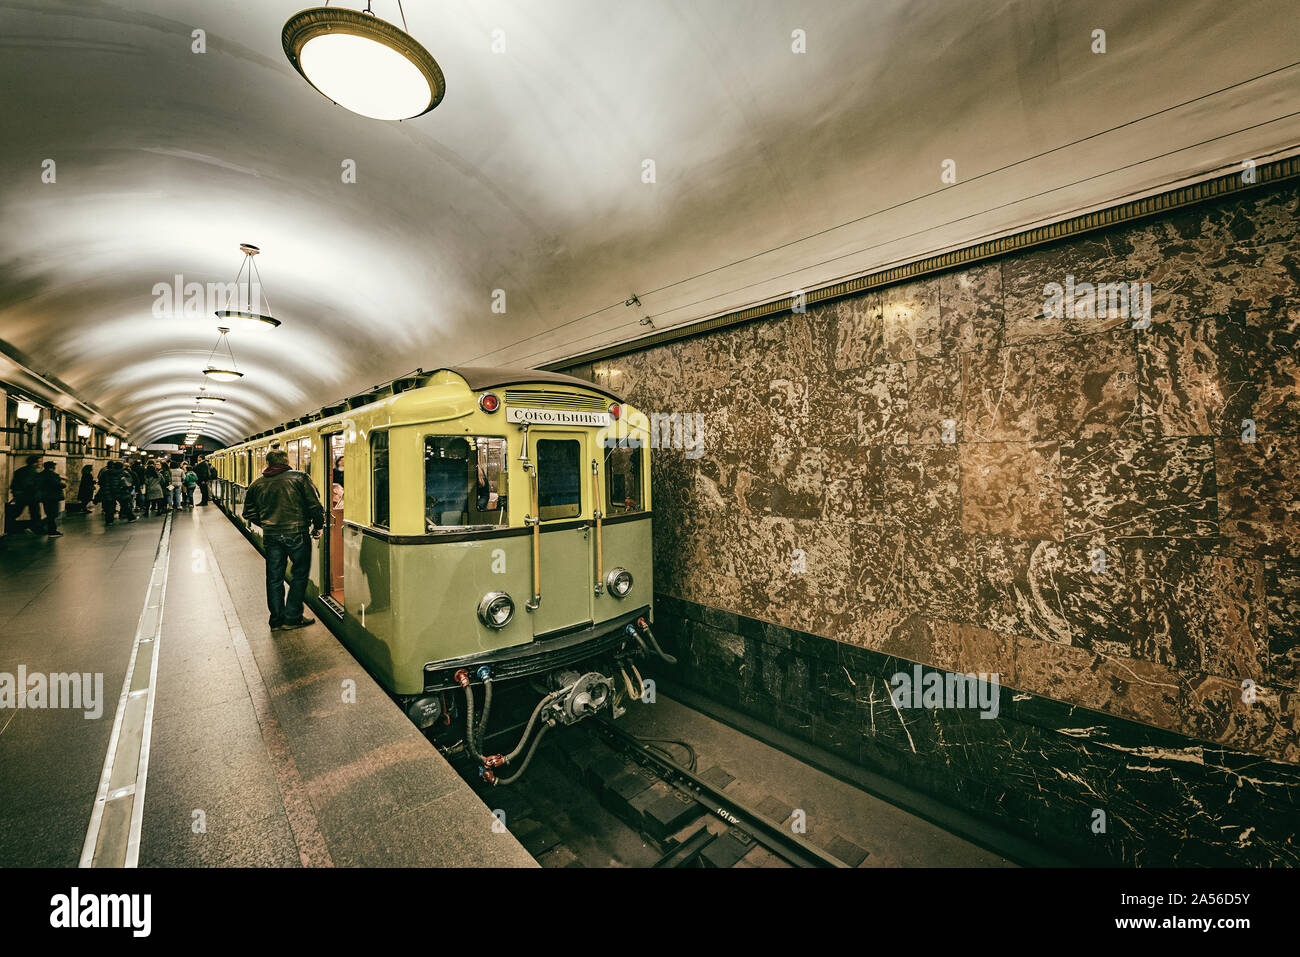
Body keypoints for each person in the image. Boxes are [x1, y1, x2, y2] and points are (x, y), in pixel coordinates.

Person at [242, 449, 323, 631]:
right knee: (299, 574)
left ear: (267, 463)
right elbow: (314, 506)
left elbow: (248, 512)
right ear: (286, 461)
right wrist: (318, 526)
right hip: (297, 533)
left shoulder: (257, 483)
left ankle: (276, 621)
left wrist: (267, 525)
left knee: (274, 578)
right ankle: (292, 618)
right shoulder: (300, 478)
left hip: (271, 536)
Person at [9, 454, 42, 533]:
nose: (40, 464)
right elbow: (28, 484)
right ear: (35, 463)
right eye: (39, 462)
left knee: (17, 511)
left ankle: (9, 526)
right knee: (35, 513)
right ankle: (36, 529)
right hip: (28, 495)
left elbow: (14, 484)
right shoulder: (32, 471)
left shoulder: (20, 470)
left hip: (20, 494)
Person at [97, 460, 137, 525]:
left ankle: (109, 521)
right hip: (121, 491)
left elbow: (101, 482)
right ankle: (131, 518)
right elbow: (129, 481)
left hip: (109, 492)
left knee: (110, 506)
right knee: (125, 505)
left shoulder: (106, 473)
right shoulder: (124, 473)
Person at [35, 461, 66, 537]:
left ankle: (50, 530)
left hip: (45, 497)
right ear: (51, 467)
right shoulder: (51, 475)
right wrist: (64, 484)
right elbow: (57, 484)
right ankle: (48, 530)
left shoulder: (41, 474)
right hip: (53, 497)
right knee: (53, 514)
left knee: (50, 514)